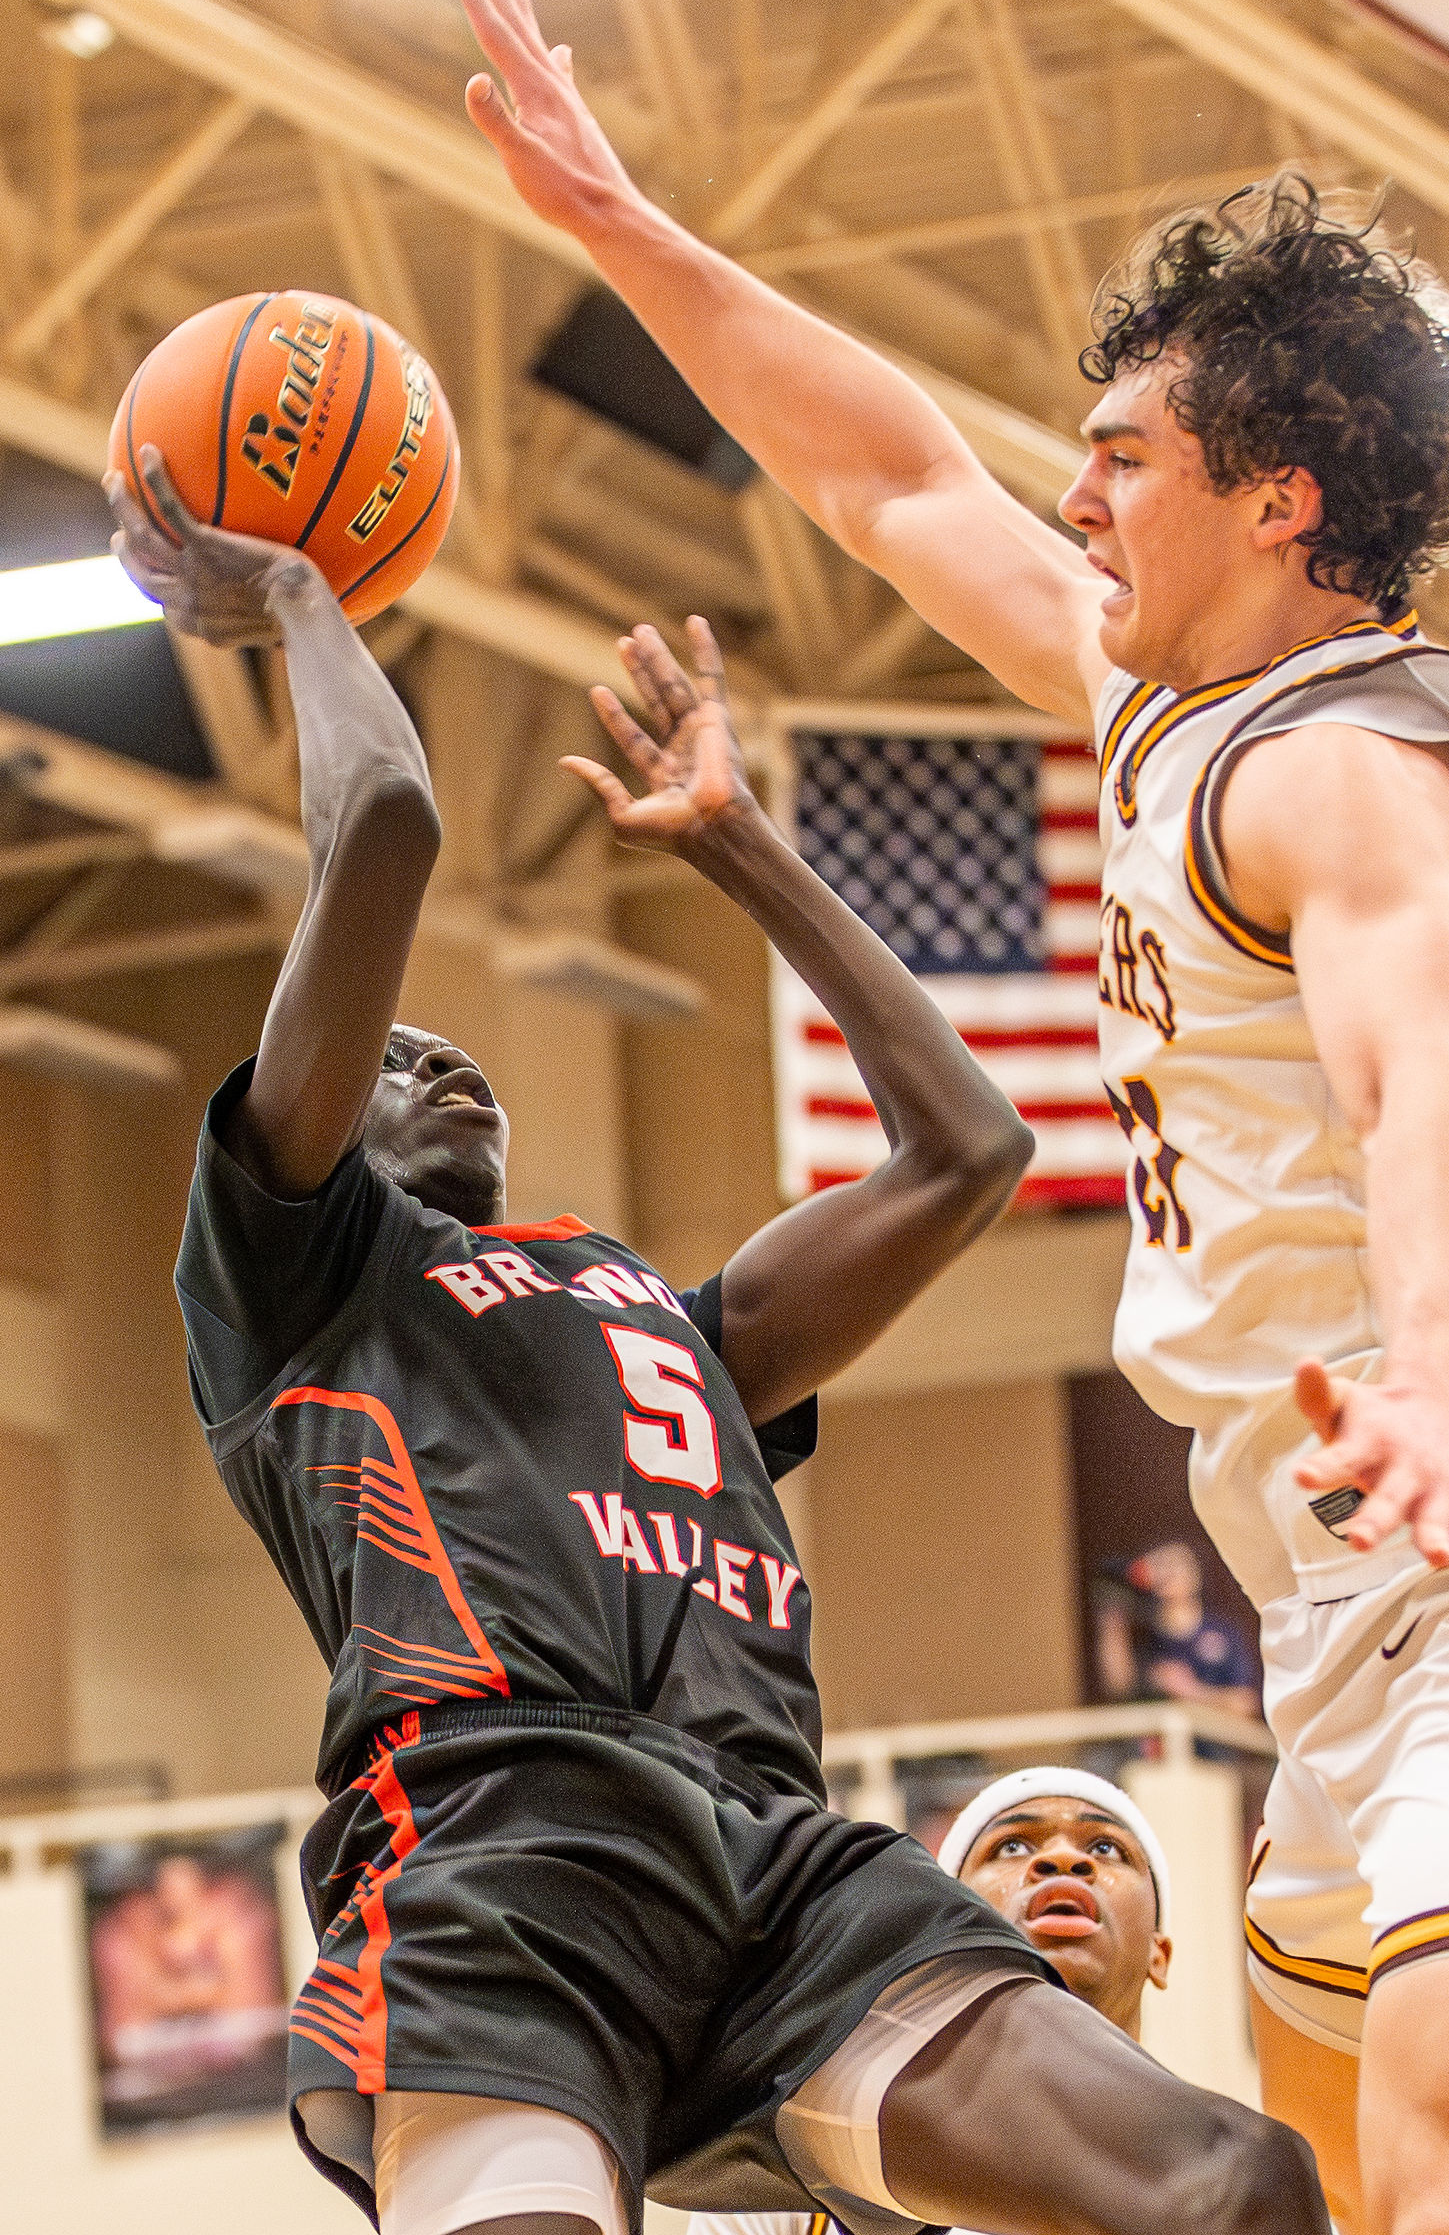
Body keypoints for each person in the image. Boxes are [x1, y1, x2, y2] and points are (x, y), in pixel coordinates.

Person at [449, 0, 1449, 2235]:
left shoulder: (1352, 771)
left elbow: (1417, 1102)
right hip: (1319, 1579)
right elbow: (887, 476)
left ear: (1274, 501)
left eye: (1123, 455)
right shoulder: (1158, 696)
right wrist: (616, 223)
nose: (1070, 487)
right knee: (1314, 2174)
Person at [107, 452, 1325, 2235]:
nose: (435, 1059)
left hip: (776, 1863)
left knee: (1233, 2182)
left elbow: (969, 1150)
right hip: (500, 1839)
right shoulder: (299, 1283)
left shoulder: (670, 1331)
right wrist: (298, 592)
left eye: (457, 1051)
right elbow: (385, 832)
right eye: (384, 1056)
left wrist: (742, 846)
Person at [689, 1767, 1174, 2235]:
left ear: (1160, 1952)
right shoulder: (800, 2161)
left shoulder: (1220, 2181)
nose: (1063, 1860)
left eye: (1106, 1847)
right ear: (948, 1934)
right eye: (1011, 1846)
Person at [1096, 1544, 1259, 1723]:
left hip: (1211, 1744)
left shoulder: (1223, 1634)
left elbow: (1247, 1705)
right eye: (1158, 1565)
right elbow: (1120, 1686)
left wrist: (1192, 1691)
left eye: (1174, 1565)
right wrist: (1112, 1620)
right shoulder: (1145, 1634)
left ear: (1194, 1575)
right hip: (1159, 1742)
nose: (1165, 1573)